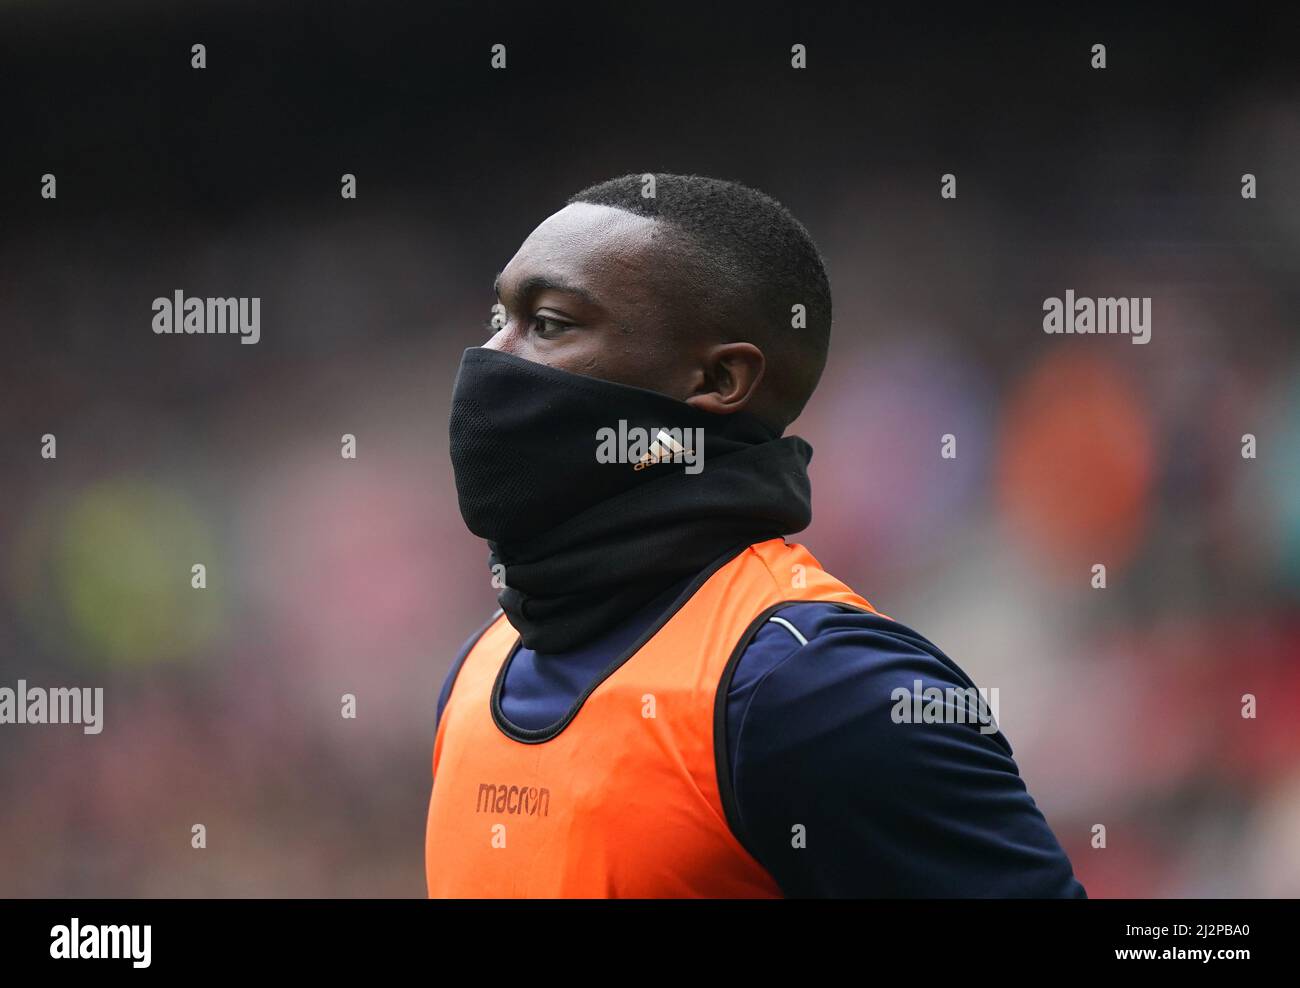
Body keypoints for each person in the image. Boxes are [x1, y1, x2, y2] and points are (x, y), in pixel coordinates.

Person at [426, 173, 1086, 898]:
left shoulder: (819, 690)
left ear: (719, 377)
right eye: (499, 316)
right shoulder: (483, 665)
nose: (493, 357)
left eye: (549, 323)